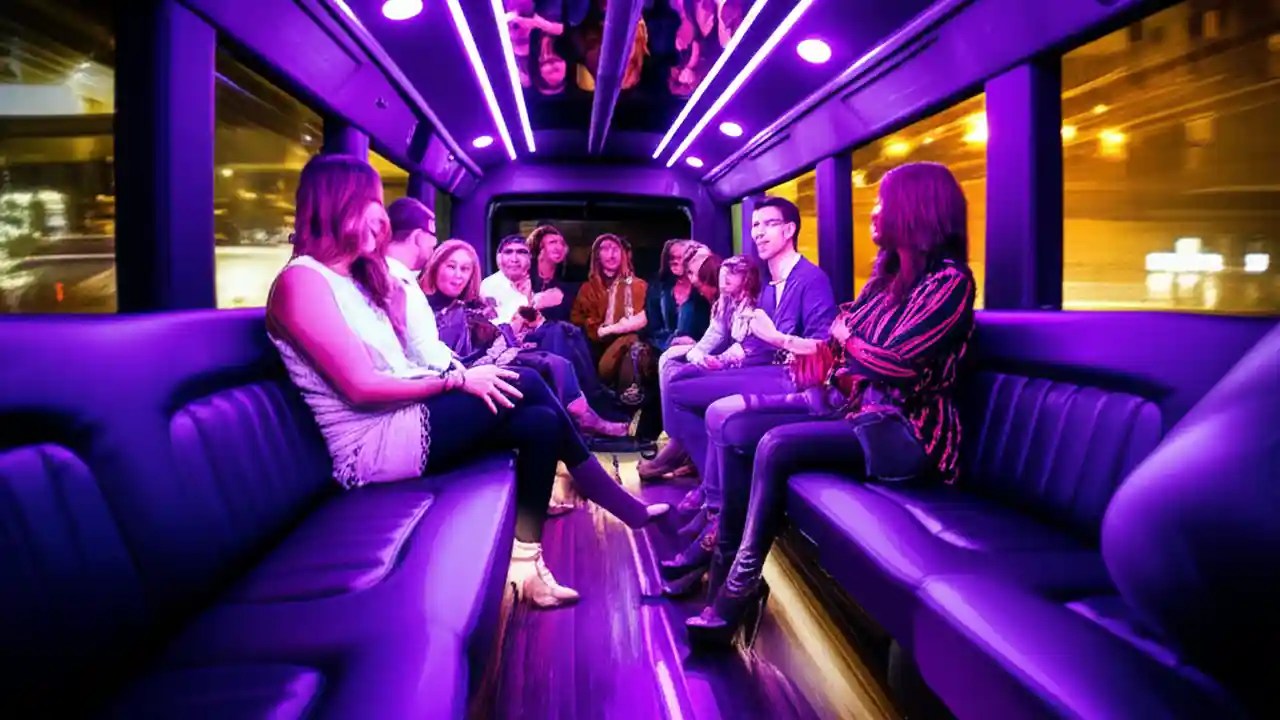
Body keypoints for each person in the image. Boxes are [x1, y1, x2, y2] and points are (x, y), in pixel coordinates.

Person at [265, 155, 667, 610]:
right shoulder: (301, 282)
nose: (382, 214)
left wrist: (457, 372)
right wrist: (457, 381)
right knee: (531, 386)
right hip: (368, 444)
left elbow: (399, 363)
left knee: (538, 423)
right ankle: (615, 503)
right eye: (374, 202)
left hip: (398, 418)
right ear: (341, 205)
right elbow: (362, 388)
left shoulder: (357, 280)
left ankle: (528, 562)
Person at [686, 162, 977, 645]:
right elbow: (844, 342)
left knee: (777, 445)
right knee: (739, 429)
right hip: (858, 412)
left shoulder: (950, 283)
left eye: (884, 204)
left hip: (908, 435)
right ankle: (721, 558)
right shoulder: (885, 282)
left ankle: (734, 591)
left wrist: (849, 343)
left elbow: (898, 364)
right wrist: (848, 346)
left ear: (916, 211)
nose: (875, 214)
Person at [638, 196, 837, 491]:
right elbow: (754, 345)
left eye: (770, 224)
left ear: (789, 230)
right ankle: (709, 486)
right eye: (755, 225)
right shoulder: (767, 283)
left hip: (793, 378)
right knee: (680, 376)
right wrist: (726, 361)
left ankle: (712, 491)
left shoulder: (811, 279)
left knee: (680, 390)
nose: (759, 232)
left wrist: (778, 339)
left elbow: (824, 349)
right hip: (763, 369)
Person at [422, 238, 627, 437]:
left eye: (464, 269)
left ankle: (588, 412)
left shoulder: (464, 306)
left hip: (495, 352)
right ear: (436, 266)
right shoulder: (424, 305)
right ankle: (583, 420)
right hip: (468, 371)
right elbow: (458, 354)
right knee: (551, 354)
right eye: (451, 267)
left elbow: (495, 335)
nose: (458, 275)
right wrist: (511, 333)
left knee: (561, 348)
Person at [570, 233, 653, 404]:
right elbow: (577, 321)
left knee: (634, 342)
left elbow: (647, 321)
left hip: (631, 346)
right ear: (597, 256)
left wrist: (621, 327)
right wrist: (599, 329)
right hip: (596, 352)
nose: (611, 254)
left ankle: (630, 400)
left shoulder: (639, 286)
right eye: (605, 249)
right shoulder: (587, 289)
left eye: (615, 249)